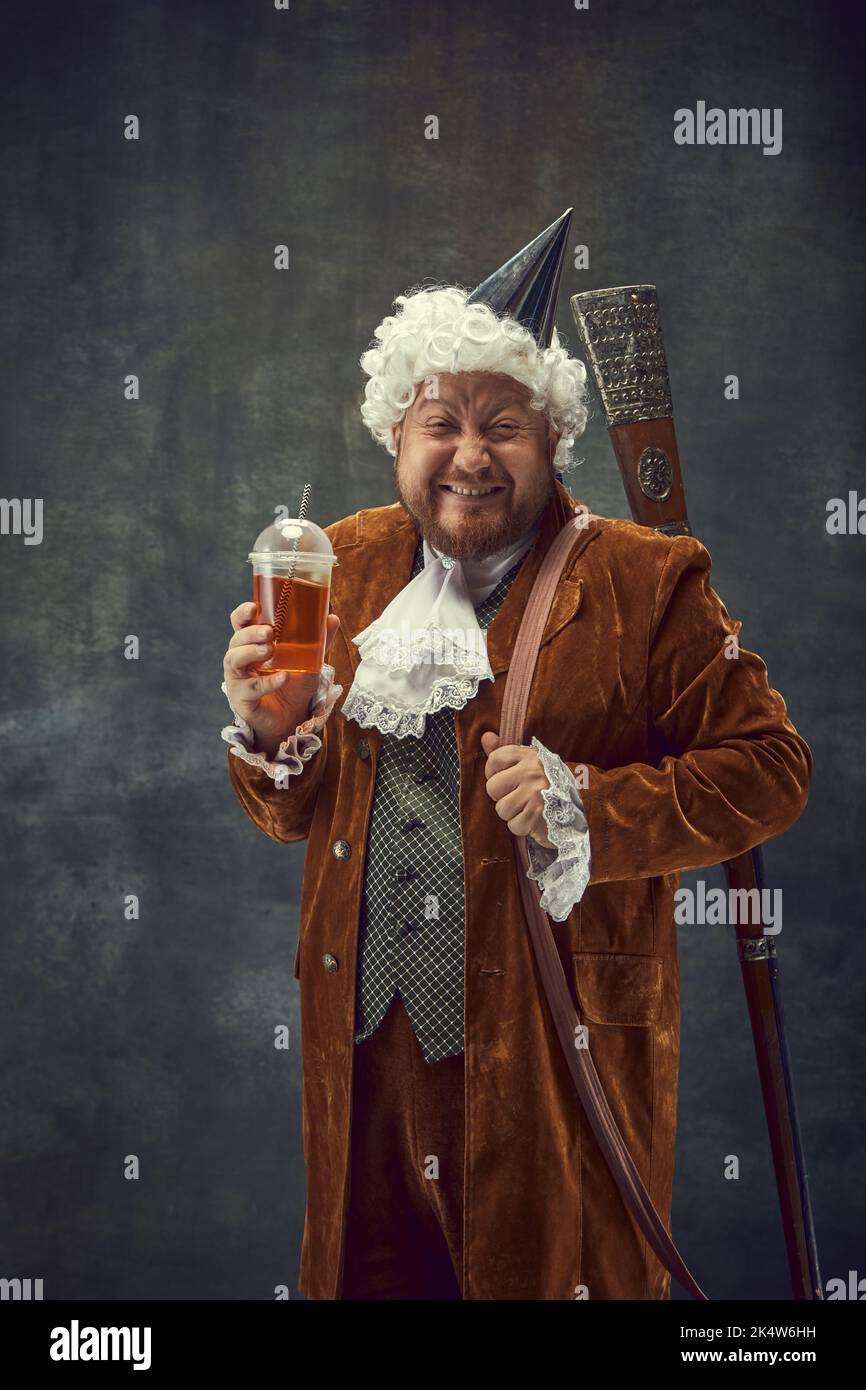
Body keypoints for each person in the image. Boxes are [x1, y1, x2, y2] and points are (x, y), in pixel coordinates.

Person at [219, 213, 812, 1300]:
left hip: (550, 1053)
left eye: (506, 424)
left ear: (550, 442)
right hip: (358, 1058)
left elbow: (771, 769)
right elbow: (295, 816)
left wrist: (584, 800)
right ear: (395, 437)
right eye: (438, 421)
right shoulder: (336, 566)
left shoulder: (645, 577)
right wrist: (266, 734)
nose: (470, 455)